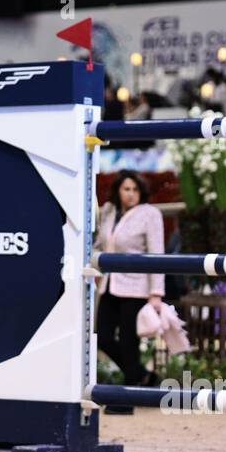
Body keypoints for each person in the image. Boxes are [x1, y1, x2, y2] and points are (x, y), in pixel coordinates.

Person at [95, 169, 165, 414]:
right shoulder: (109, 212)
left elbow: (157, 252)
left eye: (135, 189)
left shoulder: (150, 214)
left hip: (137, 287)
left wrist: (156, 291)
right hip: (110, 284)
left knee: (128, 343)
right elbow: (99, 244)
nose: (131, 194)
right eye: (126, 189)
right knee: (102, 336)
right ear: (118, 190)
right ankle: (141, 375)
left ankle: (127, 398)